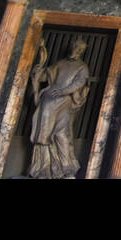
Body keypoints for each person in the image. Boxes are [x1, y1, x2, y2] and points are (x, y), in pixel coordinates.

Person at [27, 37, 91, 178]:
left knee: (62, 133)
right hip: (49, 100)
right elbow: (45, 76)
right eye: (75, 47)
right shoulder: (60, 63)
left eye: (79, 49)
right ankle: (43, 167)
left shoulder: (82, 67)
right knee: (44, 132)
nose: (76, 50)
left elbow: (80, 83)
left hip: (65, 101)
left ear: (82, 51)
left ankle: (66, 167)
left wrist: (63, 91)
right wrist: (38, 72)